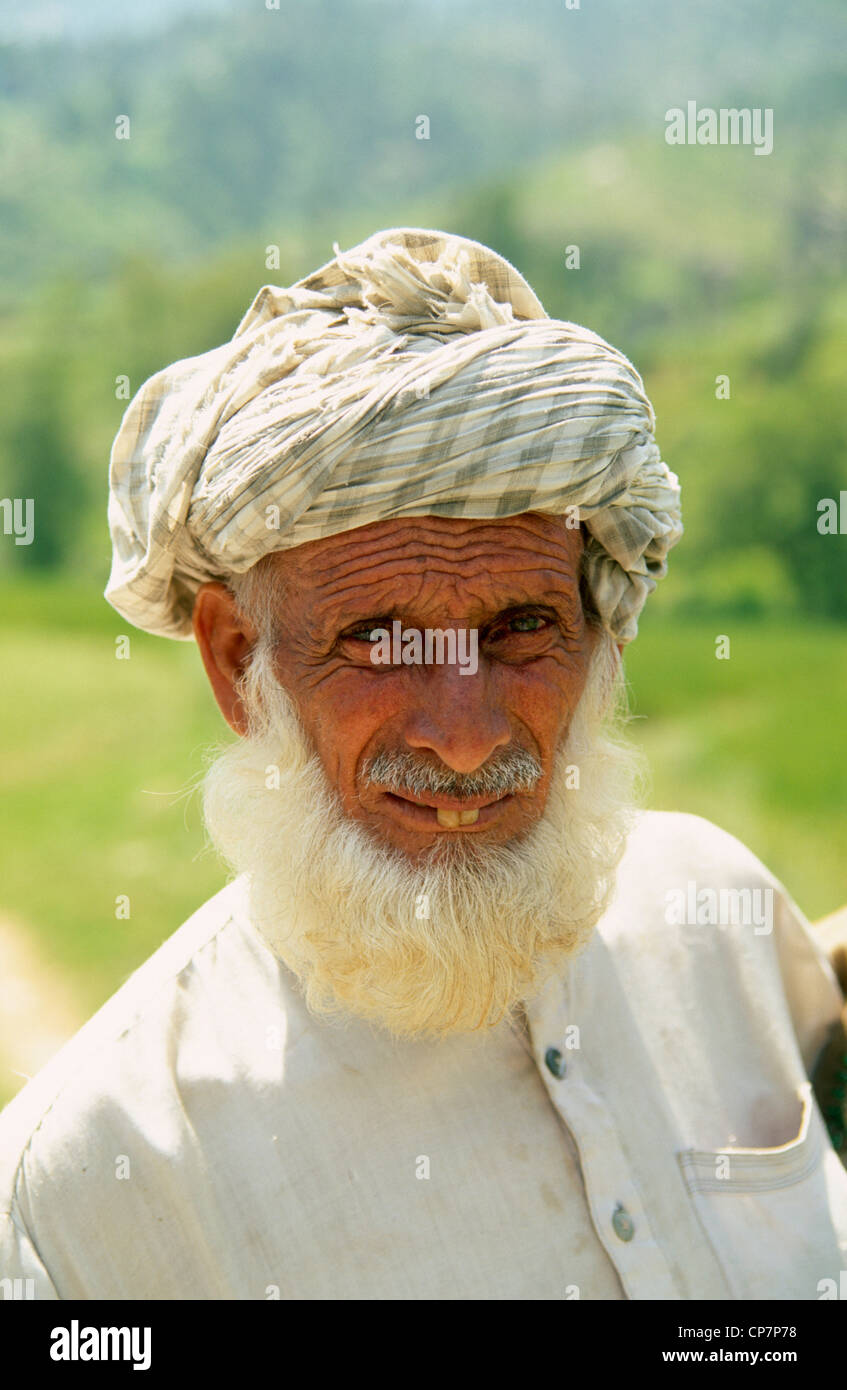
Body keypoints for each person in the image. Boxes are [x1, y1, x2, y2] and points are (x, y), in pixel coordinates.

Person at [1, 228, 845, 1301]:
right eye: (377, 638)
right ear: (236, 659)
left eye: (522, 624)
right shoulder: (91, 1192)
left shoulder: (720, 916)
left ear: (598, 633)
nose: (464, 732)